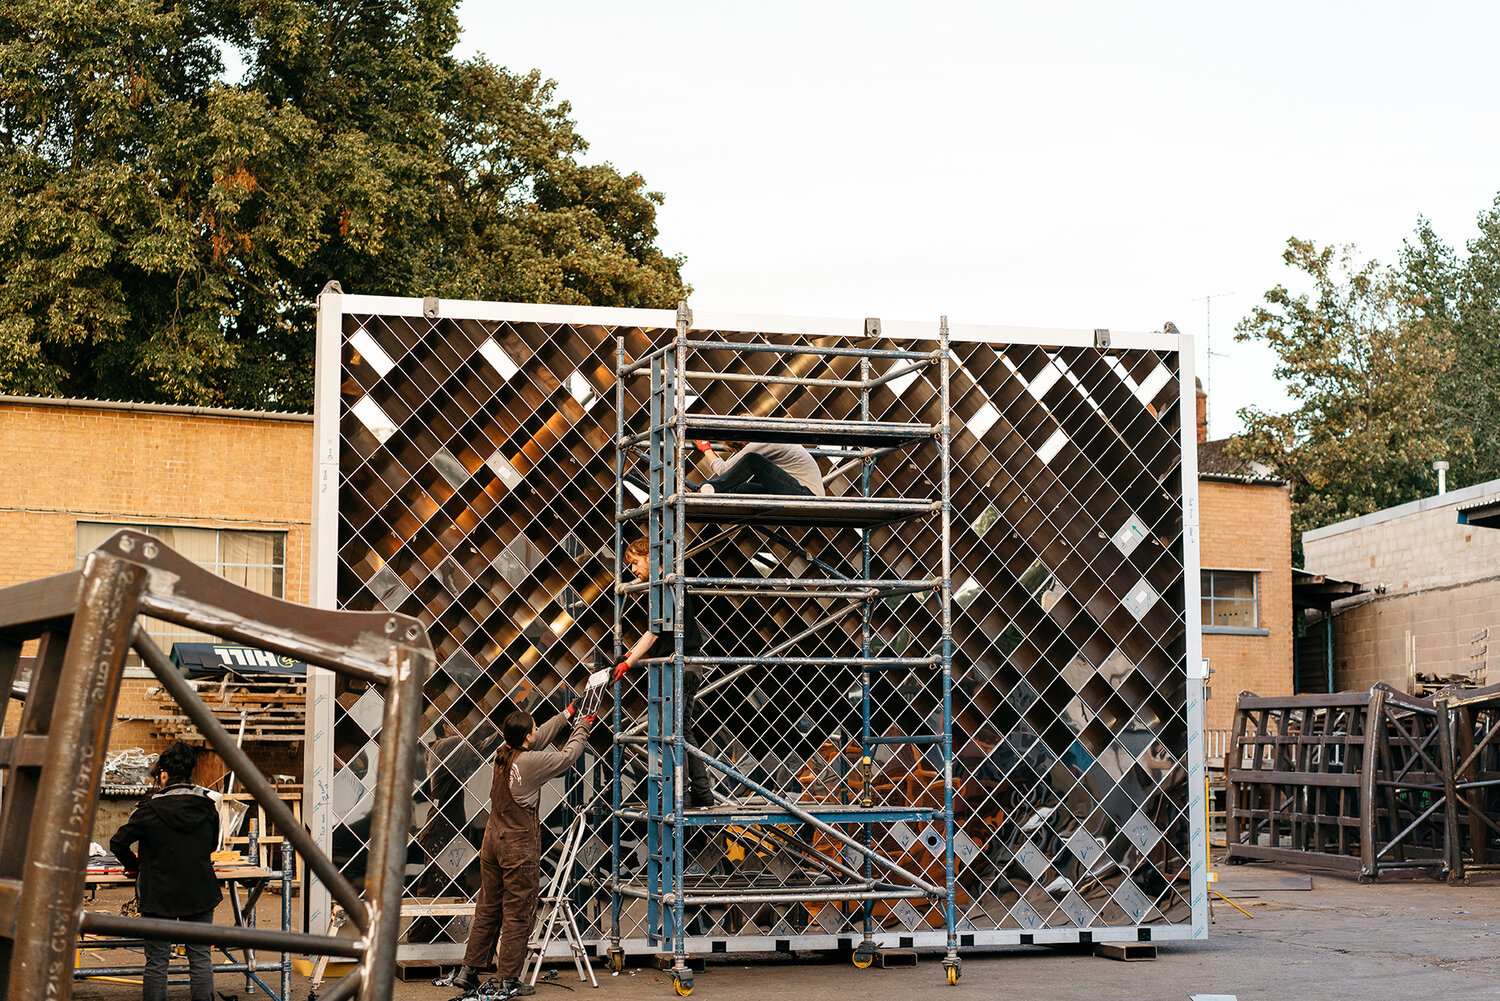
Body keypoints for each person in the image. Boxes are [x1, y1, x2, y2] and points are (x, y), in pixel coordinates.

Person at [449, 704, 595, 996]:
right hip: (518, 845)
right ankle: (509, 978)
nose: (537, 732)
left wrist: (566, 716)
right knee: (518, 910)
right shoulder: (531, 763)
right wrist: (583, 725)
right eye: (534, 729)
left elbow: (537, 740)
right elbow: (568, 756)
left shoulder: (504, 753)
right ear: (526, 736)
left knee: (488, 907)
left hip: (492, 841)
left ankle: (469, 970)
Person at [110, 741, 222, 1001]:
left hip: (159, 894)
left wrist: (135, 867)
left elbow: (118, 842)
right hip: (199, 890)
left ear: (163, 774)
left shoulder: (149, 809)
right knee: (200, 958)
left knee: (157, 962)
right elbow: (211, 845)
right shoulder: (207, 807)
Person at [614, 536, 714, 810]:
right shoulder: (672, 582)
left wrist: (628, 659)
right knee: (681, 729)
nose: (633, 570)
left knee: (673, 731)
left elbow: (654, 633)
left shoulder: (664, 586)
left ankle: (683, 793)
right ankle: (699, 793)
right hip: (688, 664)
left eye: (634, 562)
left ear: (650, 557)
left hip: (678, 665)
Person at [695, 438, 824, 496]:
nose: (743, 451)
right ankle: (707, 492)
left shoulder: (763, 440)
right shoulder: (770, 437)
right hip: (795, 489)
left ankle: (709, 489)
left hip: (807, 494)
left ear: (743, 442)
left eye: (741, 449)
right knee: (740, 489)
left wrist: (705, 448)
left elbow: (723, 470)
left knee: (752, 459)